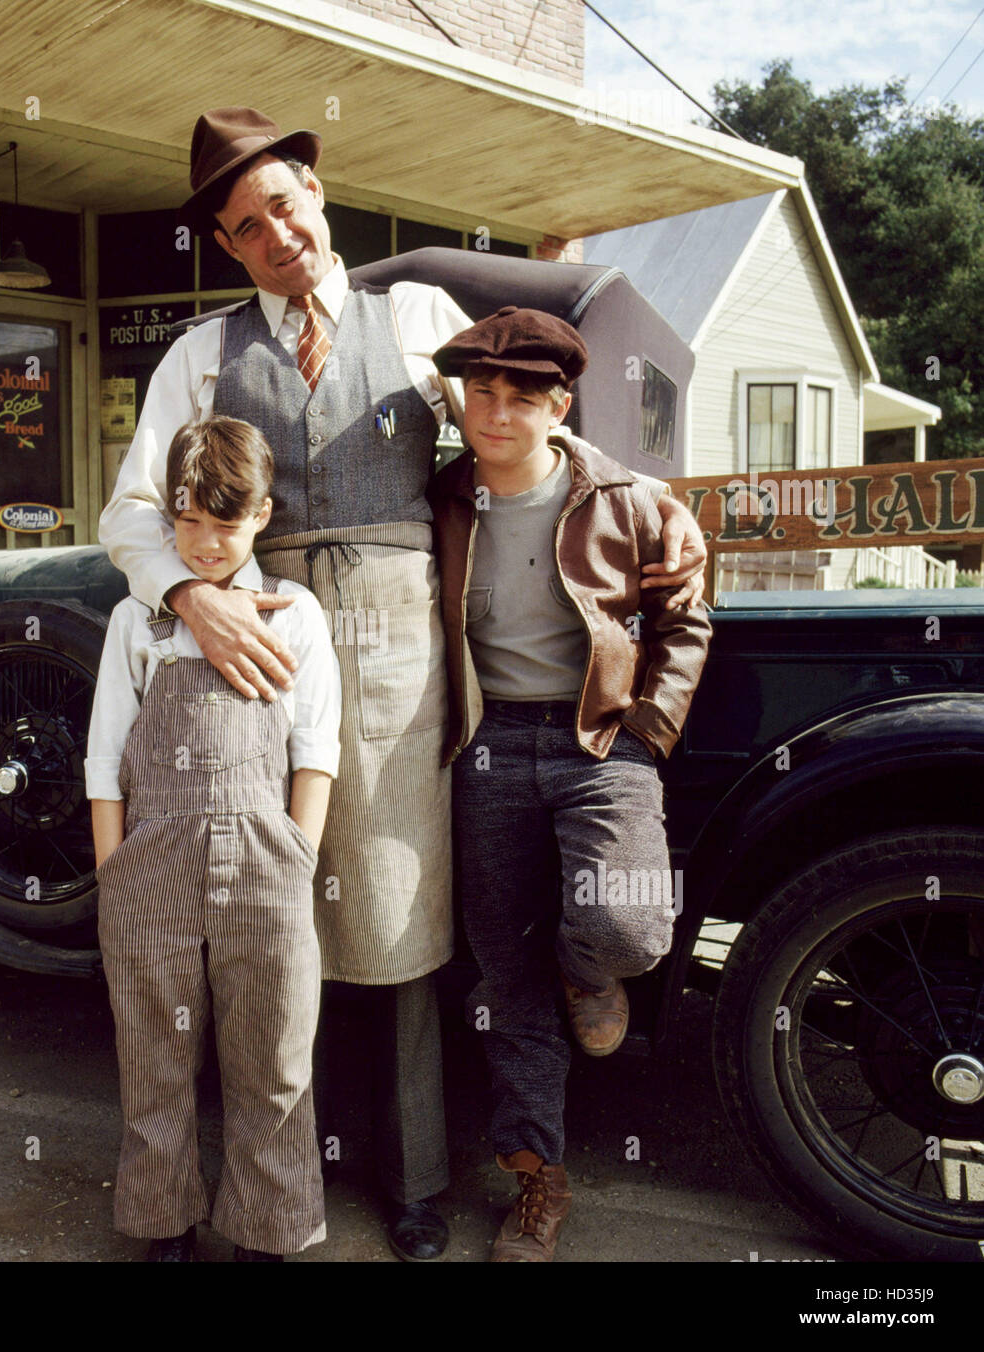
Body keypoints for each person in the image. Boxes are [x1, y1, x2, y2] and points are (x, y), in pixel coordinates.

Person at [97, 106, 708, 1260]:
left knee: (398, 925)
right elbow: (131, 509)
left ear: (318, 195)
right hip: (250, 662)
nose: (275, 233)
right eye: (246, 225)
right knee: (264, 927)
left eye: (286, 203)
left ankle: (414, 1179)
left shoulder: (420, 316)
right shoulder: (201, 354)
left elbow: (515, 416)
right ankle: (271, 1187)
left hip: (400, 667)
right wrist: (193, 596)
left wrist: (621, 493)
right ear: (227, 247)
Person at [427, 306, 712, 1261]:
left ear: (559, 406)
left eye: (520, 397)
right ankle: (538, 1180)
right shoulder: (444, 499)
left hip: (600, 742)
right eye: (481, 393)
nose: (495, 414)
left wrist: (649, 732)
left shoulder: (630, 499)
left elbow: (686, 614)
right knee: (503, 977)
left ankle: (584, 967)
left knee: (631, 922)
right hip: (490, 745)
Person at [86, 415, 341, 1262]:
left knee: (272, 1054)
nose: (201, 545)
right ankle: (163, 1223)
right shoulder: (140, 622)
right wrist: (113, 869)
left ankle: (268, 1227)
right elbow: (102, 760)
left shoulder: (294, 614)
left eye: (223, 526)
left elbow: (317, 749)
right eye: (185, 523)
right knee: (154, 1051)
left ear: (262, 515)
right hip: (151, 861)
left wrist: (297, 855)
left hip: (267, 862)